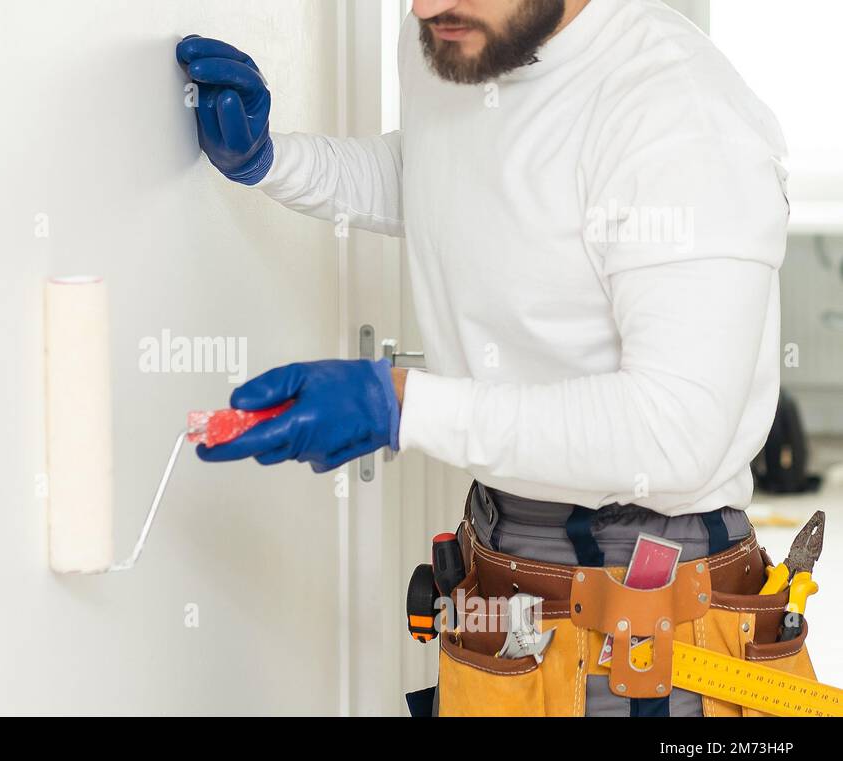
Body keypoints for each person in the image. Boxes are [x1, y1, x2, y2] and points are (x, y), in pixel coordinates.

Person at [177, 0, 795, 717]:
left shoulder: (679, 117)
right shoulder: (456, 37)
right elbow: (436, 172)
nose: (422, 5)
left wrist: (404, 404)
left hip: (651, 615)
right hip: (497, 570)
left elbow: (675, 435)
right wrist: (273, 159)